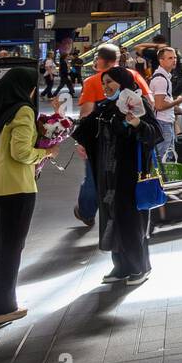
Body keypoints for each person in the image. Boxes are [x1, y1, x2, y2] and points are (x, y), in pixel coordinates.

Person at [0, 68, 57, 325]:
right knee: (11, 248)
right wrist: (46, 153)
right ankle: (3, 307)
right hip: (13, 189)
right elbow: (21, 153)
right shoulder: (23, 111)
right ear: (24, 89)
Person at [73, 67, 161, 285]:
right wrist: (62, 120)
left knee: (131, 222)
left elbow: (155, 133)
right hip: (108, 175)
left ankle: (140, 267)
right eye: (103, 83)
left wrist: (138, 124)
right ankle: (120, 266)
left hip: (129, 175)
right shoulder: (106, 107)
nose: (105, 87)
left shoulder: (139, 104)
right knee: (111, 218)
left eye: (110, 82)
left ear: (122, 82)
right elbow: (86, 130)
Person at [74, 44, 151, 227]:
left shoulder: (94, 81)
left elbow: (86, 113)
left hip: (103, 143)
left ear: (101, 60)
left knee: (94, 176)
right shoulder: (133, 76)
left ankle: (86, 211)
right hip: (132, 142)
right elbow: (148, 103)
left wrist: (83, 141)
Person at [148, 47, 182, 161]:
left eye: (175, 57)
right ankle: (163, 179)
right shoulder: (161, 80)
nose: (174, 60)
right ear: (161, 60)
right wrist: (178, 101)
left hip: (165, 122)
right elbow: (159, 106)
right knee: (164, 158)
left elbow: (164, 102)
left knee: (166, 156)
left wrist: (180, 110)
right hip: (163, 123)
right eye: (170, 58)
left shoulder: (165, 77)